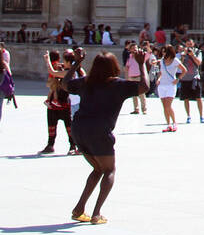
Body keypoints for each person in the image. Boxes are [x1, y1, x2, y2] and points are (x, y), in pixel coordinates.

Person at [62, 50, 148, 224]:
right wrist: (141, 63)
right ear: (114, 67)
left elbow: (65, 84)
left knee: (98, 169)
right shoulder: (118, 85)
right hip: (100, 132)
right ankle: (96, 213)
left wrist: (77, 63)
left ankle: (79, 209)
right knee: (109, 170)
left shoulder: (86, 82)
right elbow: (145, 87)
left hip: (79, 130)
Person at [41, 50, 78, 154]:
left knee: (69, 126)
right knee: (51, 123)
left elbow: (52, 72)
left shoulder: (70, 72)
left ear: (70, 63)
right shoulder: (65, 70)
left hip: (65, 102)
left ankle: (73, 145)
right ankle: (50, 145)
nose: (63, 62)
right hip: (55, 101)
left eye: (65, 61)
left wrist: (47, 60)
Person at [157, 45, 186, 132]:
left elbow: (184, 70)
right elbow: (161, 72)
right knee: (164, 106)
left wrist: (178, 79)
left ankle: (174, 123)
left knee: (168, 105)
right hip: (162, 85)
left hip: (171, 85)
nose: (163, 53)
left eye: (164, 51)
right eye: (162, 51)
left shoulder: (175, 61)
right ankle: (168, 124)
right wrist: (158, 79)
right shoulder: (162, 61)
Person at [178, 40, 204, 121]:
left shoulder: (197, 52)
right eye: (187, 44)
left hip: (194, 77)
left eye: (191, 44)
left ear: (193, 44)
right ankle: (188, 116)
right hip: (185, 78)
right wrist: (183, 55)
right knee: (186, 98)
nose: (189, 46)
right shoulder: (183, 53)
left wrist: (192, 55)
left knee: (198, 97)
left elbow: (199, 63)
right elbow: (179, 65)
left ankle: (201, 116)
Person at [125, 41, 147, 115]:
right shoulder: (130, 57)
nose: (134, 49)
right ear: (130, 50)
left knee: (141, 94)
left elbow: (148, 54)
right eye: (132, 48)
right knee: (134, 94)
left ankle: (144, 109)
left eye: (135, 48)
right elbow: (127, 67)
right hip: (132, 77)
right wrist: (127, 77)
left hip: (139, 77)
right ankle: (136, 109)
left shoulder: (141, 56)